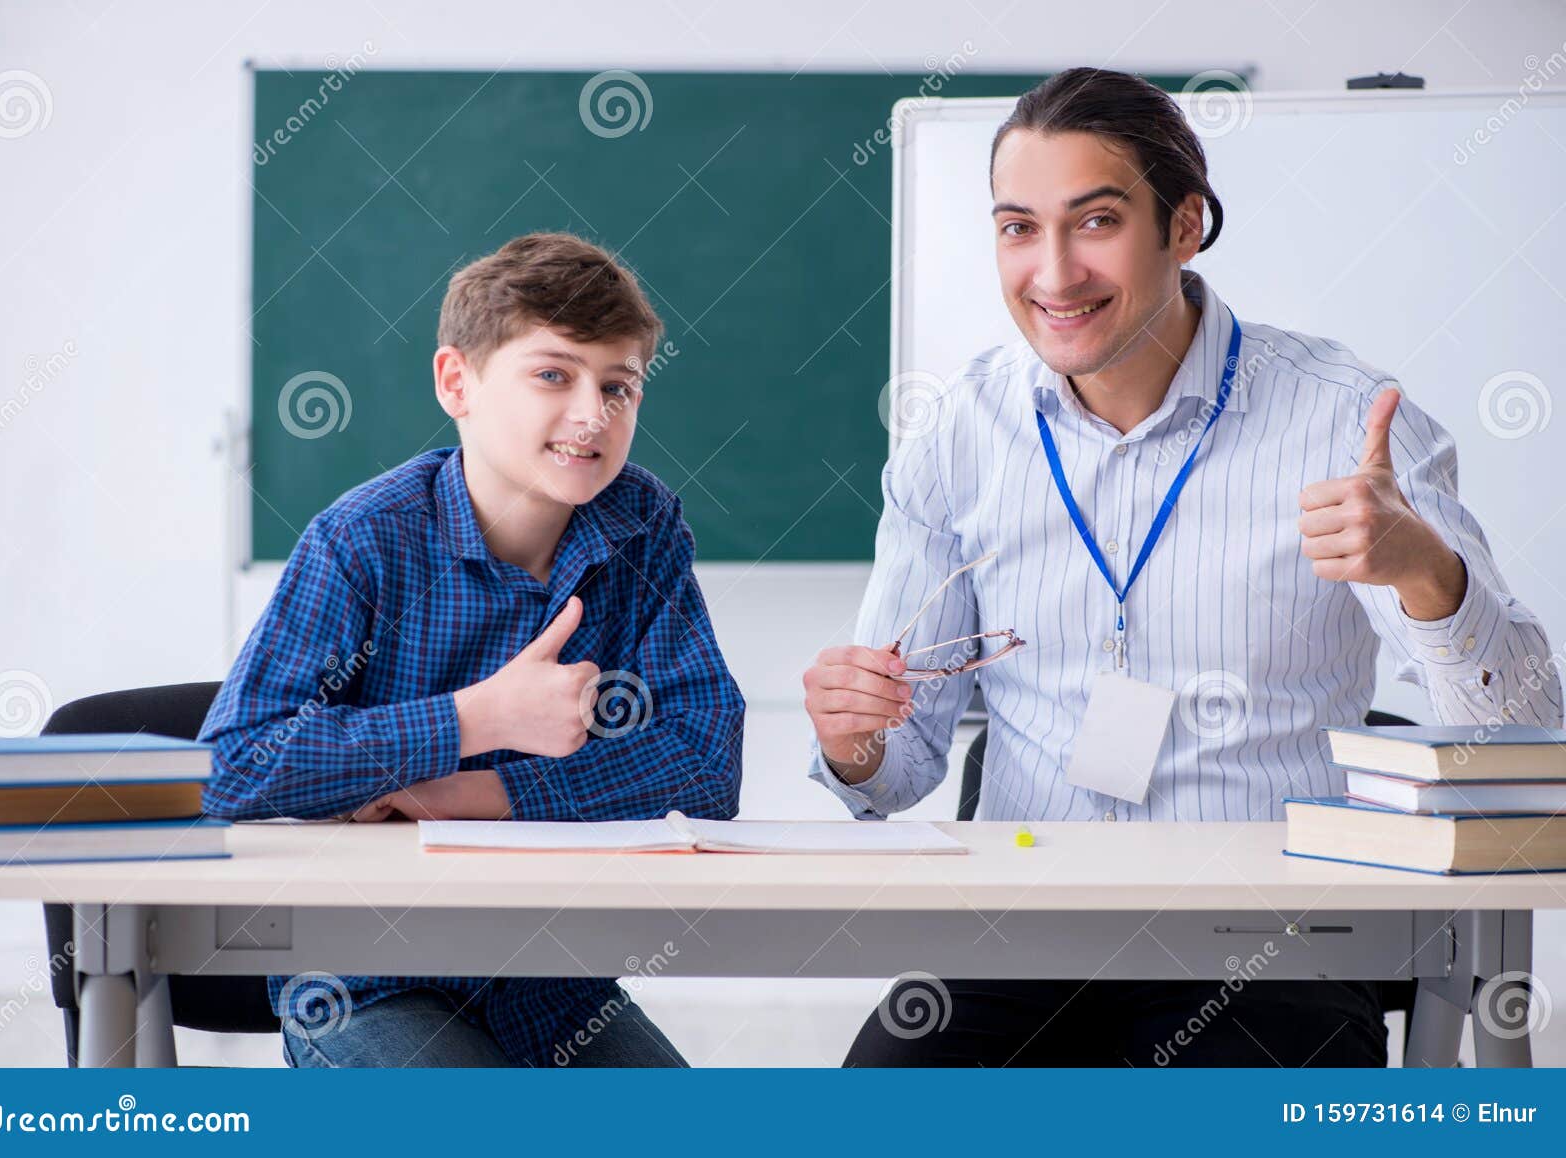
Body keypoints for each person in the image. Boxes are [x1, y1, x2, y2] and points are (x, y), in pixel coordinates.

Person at [802, 67, 1560, 1067]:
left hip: (1275, 941)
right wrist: (853, 738)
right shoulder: (959, 436)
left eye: (1097, 221)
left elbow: (1522, 742)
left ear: (1185, 225)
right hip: (1022, 933)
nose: (1054, 271)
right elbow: (896, 777)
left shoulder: (1345, 418)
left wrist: (1428, 575)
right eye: (1018, 227)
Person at [201, 232, 744, 1067]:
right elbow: (233, 763)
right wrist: (474, 717)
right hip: (370, 979)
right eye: (553, 375)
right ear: (458, 382)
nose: (592, 415)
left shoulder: (643, 524)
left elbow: (706, 760)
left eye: (619, 386)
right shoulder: (362, 538)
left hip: (553, 984)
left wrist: (480, 789)